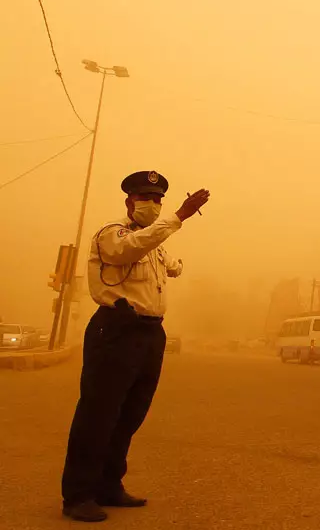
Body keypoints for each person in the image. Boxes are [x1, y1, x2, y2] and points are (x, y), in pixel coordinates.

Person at [61, 171, 210, 523]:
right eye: (146, 198)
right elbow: (129, 249)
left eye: (158, 199)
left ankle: (109, 485)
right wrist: (180, 217)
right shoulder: (113, 234)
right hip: (116, 330)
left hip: (150, 334)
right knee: (98, 415)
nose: (154, 205)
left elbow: (169, 266)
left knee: (129, 415)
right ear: (129, 201)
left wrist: (176, 264)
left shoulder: (153, 243)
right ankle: (78, 495)